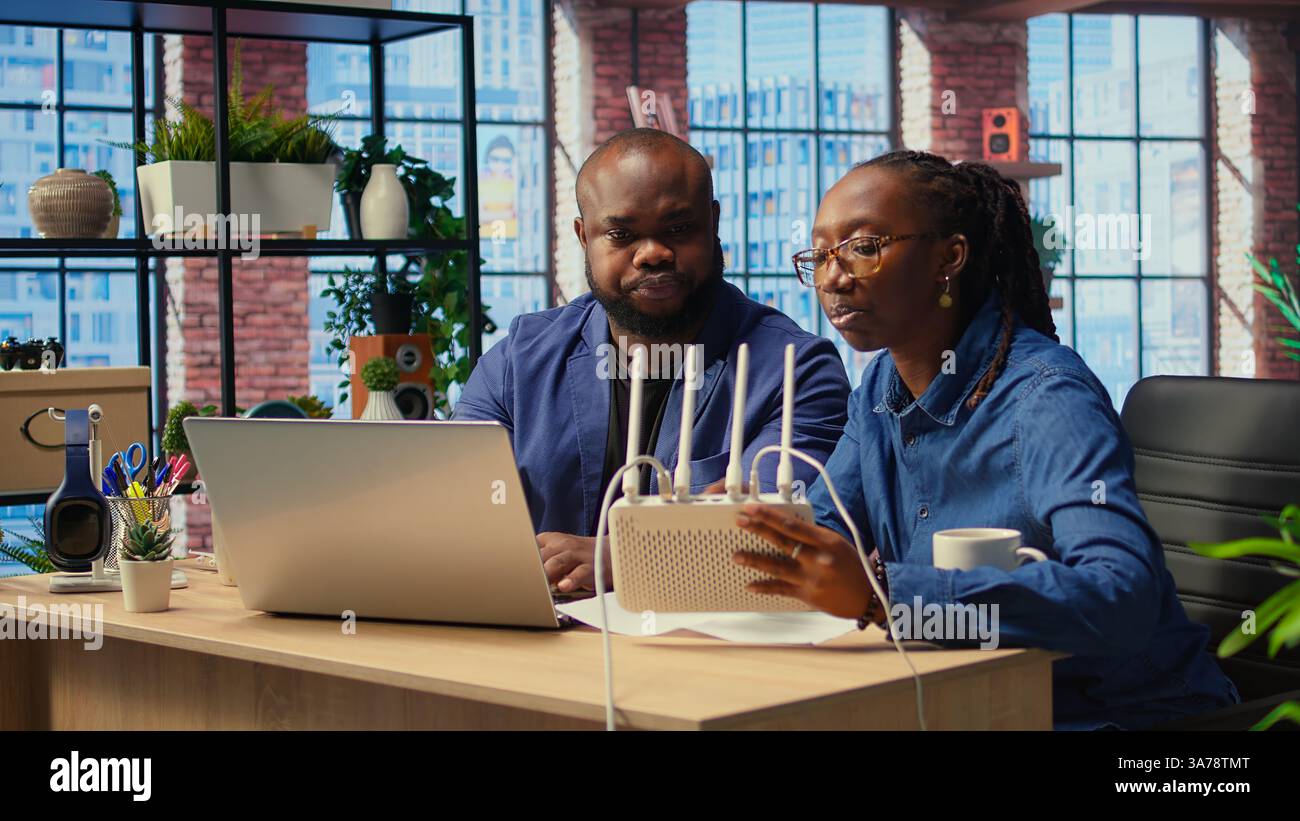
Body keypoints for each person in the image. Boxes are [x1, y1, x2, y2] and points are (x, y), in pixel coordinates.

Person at [731, 149, 1239, 730]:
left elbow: (1122, 596)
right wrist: (753, 524)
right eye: (819, 255)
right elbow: (821, 533)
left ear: (949, 257)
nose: (832, 277)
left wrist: (886, 598)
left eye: (863, 248)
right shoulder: (879, 388)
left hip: (1113, 717)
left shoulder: (1048, 398)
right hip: (965, 701)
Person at [452, 128, 850, 595]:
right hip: (543, 646)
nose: (652, 253)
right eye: (621, 234)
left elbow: (787, 538)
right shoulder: (520, 359)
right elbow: (454, 507)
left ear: (713, 223)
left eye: (678, 229)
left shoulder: (796, 370)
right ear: (584, 236)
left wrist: (619, 557)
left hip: (721, 650)